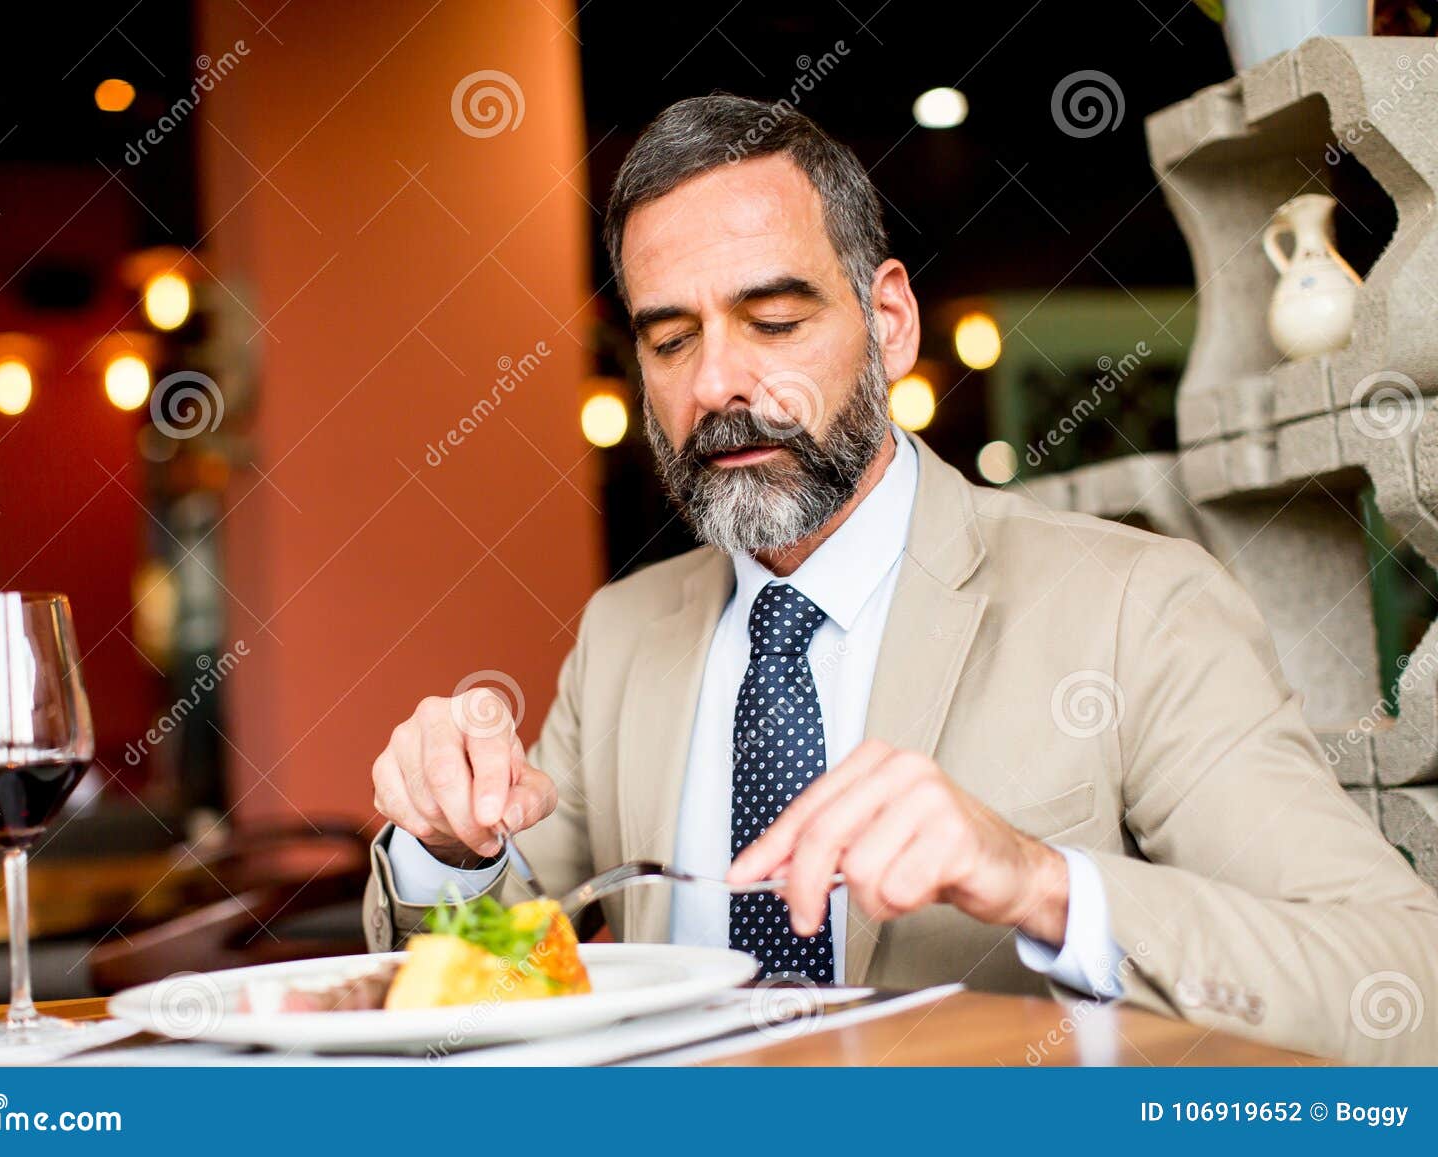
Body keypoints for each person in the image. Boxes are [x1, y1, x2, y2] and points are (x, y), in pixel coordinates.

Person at [362, 94, 1438, 1062]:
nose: (721, 381)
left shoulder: (1134, 606)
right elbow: (476, 982)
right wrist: (447, 852)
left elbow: (1399, 982)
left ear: (888, 322)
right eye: (670, 339)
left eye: (774, 321)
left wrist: (1041, 881)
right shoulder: (625, 632)